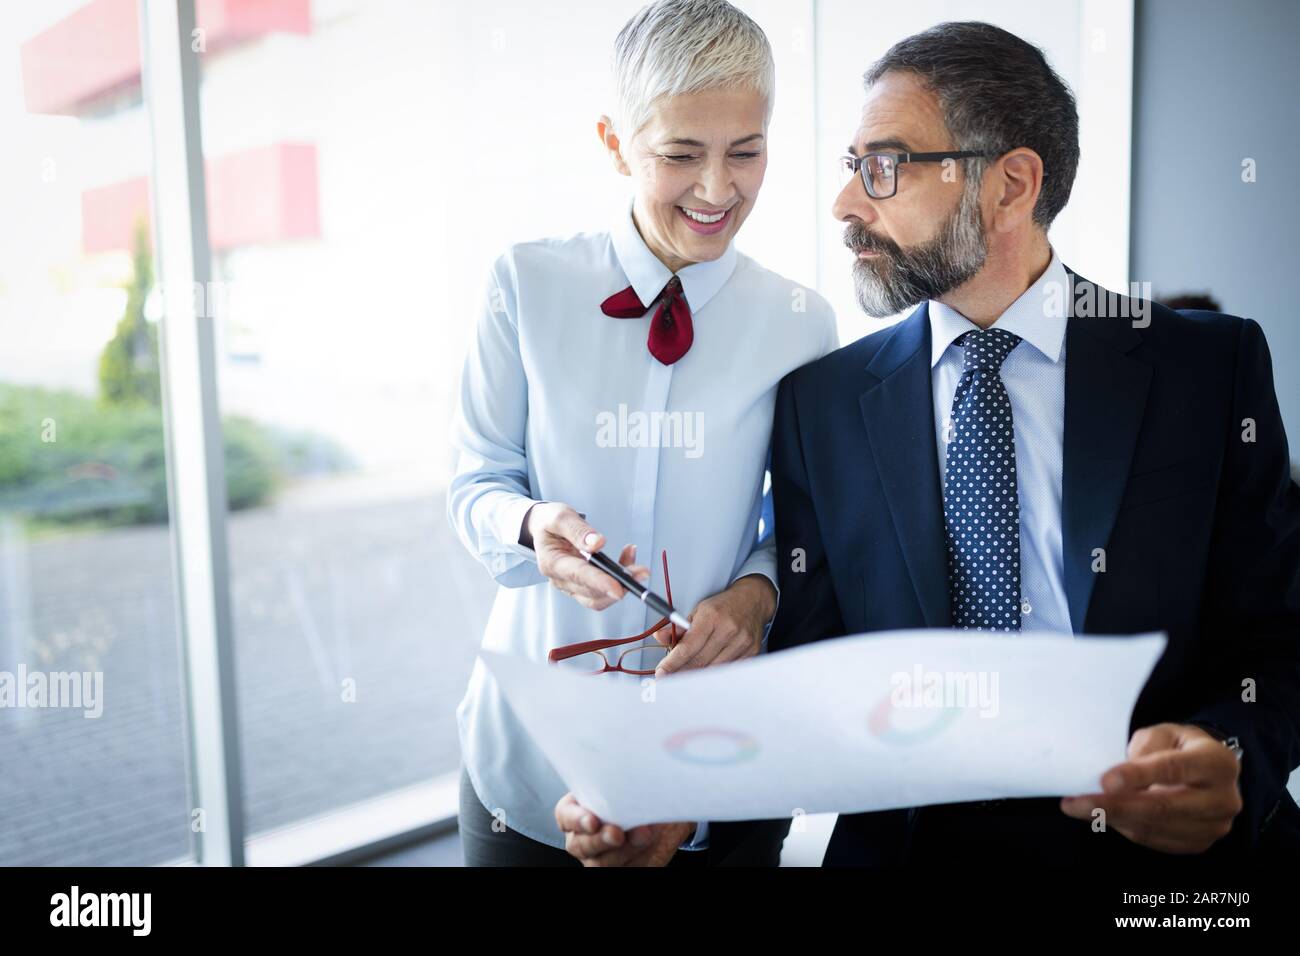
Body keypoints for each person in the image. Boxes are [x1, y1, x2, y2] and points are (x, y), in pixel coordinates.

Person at [760, 20, 1300, 864]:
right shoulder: (817, 406)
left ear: (1011, 184)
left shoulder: (1211, 369)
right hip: (913, 846)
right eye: (851, 166)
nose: (848, 204)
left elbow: (1279, 637)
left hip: (1164, 858)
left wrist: (1226, 758)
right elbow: (807, 676)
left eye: (886, 165)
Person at [447, 0, 838, 867]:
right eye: (680, 155)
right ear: (615, 142)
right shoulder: (525, 283)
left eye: (746, 151)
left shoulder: (802, 323)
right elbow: (476, 483)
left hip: (719, 750)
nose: (716, 190)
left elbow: (814, 529)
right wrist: (527, 526)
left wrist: (759, 594)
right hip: (526, 762)